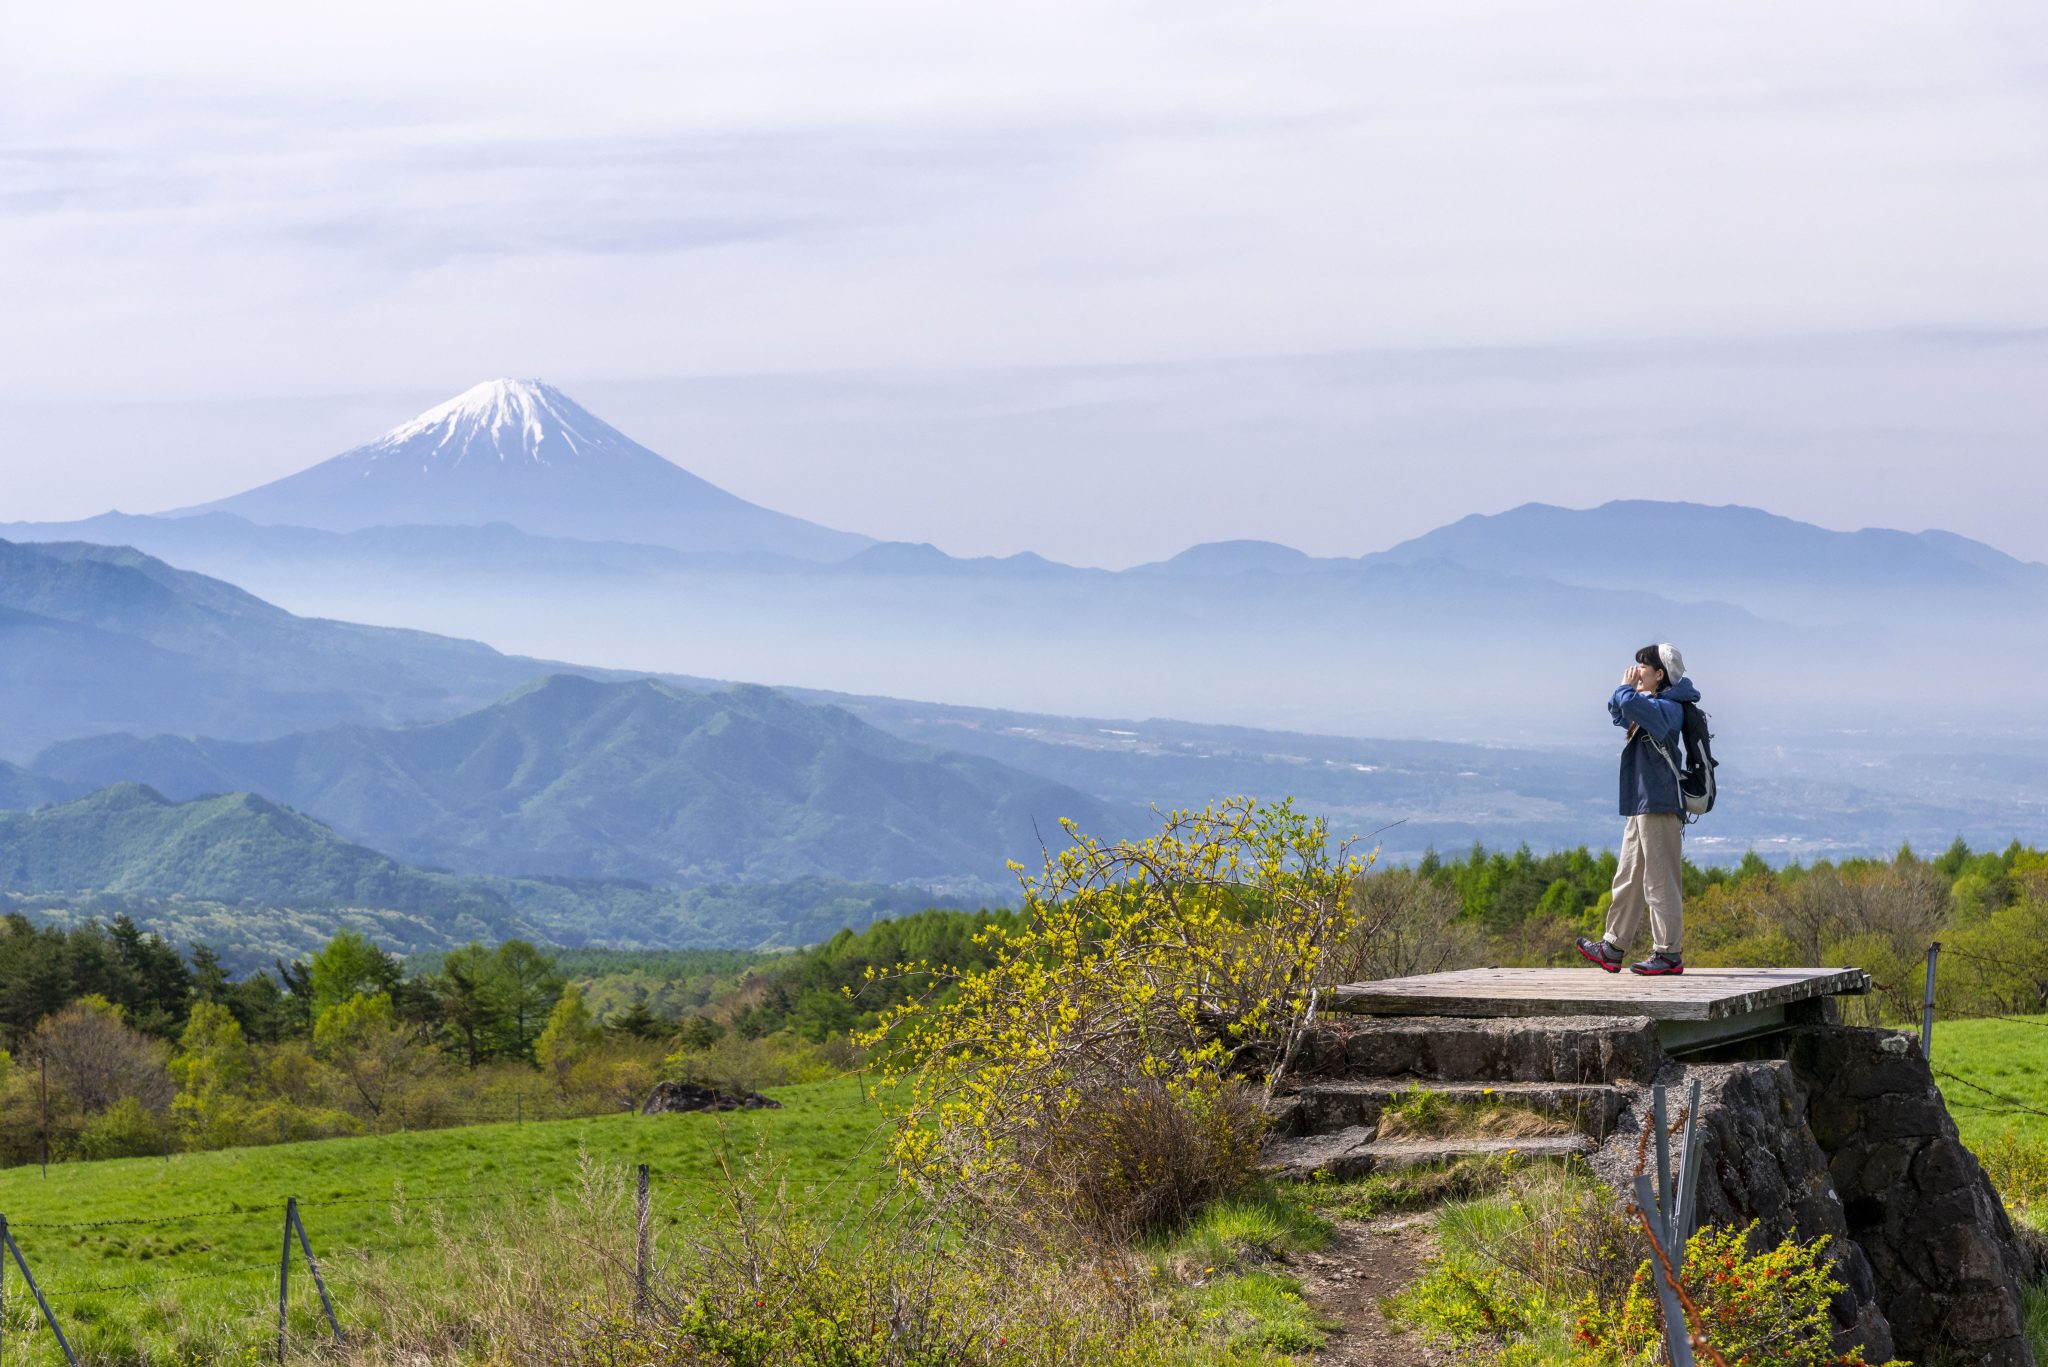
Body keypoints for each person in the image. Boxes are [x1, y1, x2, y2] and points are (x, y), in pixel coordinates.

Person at [1576, 643, 1699, 977]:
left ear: (1660, 674)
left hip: (1659, 803)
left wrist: (1625, 689)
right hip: (1641, 803)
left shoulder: (1670, 708)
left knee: (1660, 881)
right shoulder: (1653, 703)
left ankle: (1668, 953)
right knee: (1628, 876)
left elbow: (1625, 702)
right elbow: (1617, 711)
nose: (1637, 670)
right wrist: (1624, 692)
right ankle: (1612, 947)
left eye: (1643, 666)